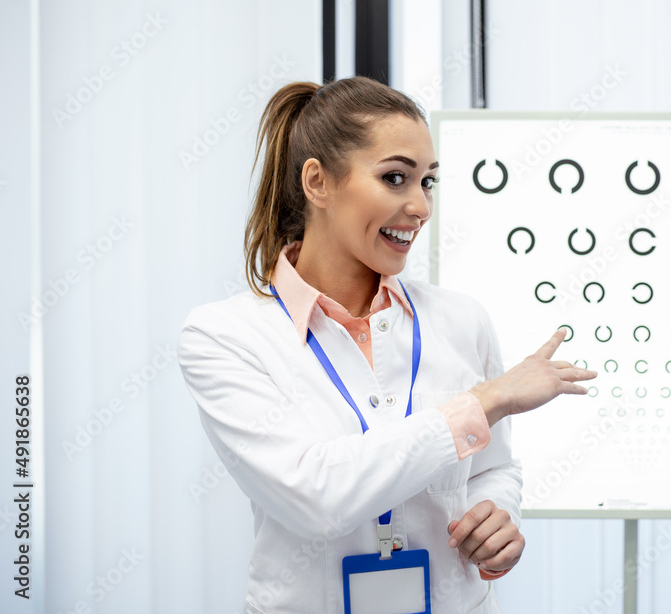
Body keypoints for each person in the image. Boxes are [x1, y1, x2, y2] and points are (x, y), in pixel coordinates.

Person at [177, 75, 596, 614]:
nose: (420, 206)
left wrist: (495, 514)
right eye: (396, 178)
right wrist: (488, 399)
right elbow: (316, 495)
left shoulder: (461, 320)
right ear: (318, 183)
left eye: (428, 183)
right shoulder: (224, 337)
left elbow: (494, 466)